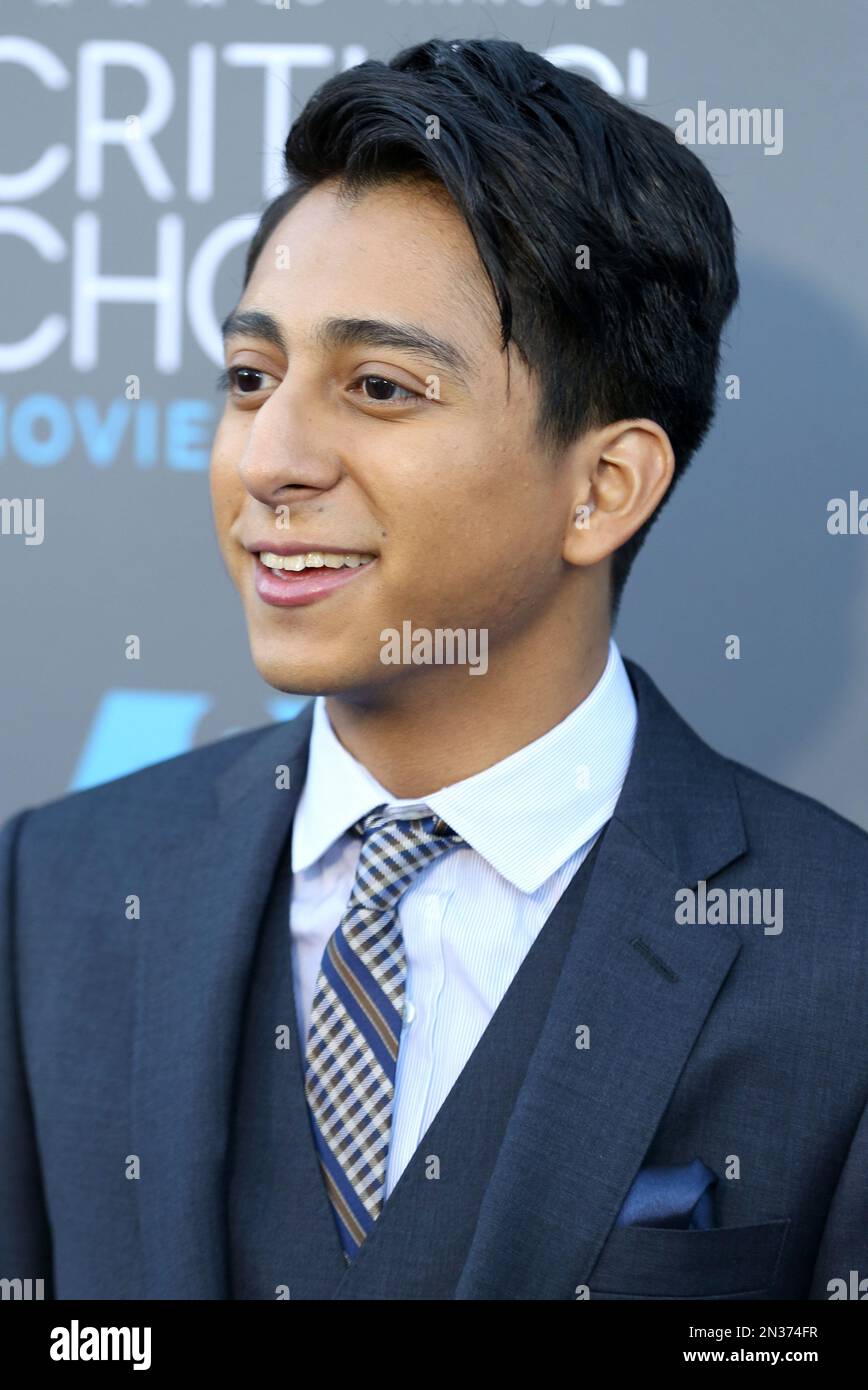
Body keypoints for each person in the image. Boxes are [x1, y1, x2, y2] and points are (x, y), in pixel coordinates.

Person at [1, 37, 866, 1302]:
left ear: (603, 487)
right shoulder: (57, 893)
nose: (272, 458)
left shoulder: (836, 950)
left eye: (380, 386)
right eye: (251, 377)